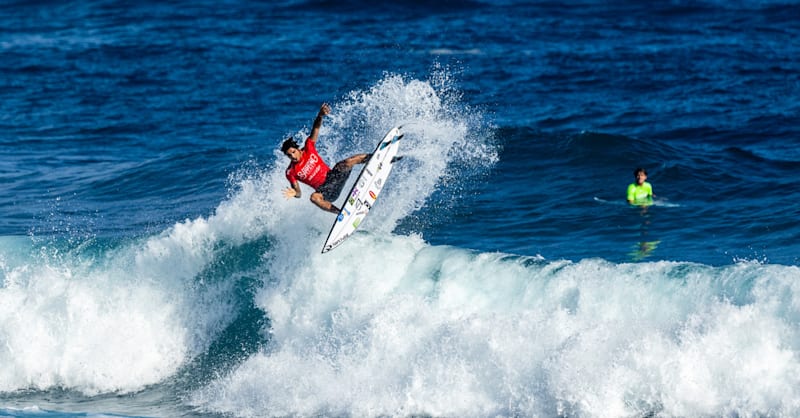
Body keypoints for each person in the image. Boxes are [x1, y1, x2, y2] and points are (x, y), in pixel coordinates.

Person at [281, 103, 370, 214]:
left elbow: (316, 128)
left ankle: (373, 158)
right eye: (289, 155)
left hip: (334, 177)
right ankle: (342, 214)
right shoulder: (291, 172)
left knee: (346, 162)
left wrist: (320, 116)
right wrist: (294, 193)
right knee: (314, 197)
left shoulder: (308, 147)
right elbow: (298, 193)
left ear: (298, 150)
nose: (293, 156)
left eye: (293, 152)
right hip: (326, 191)